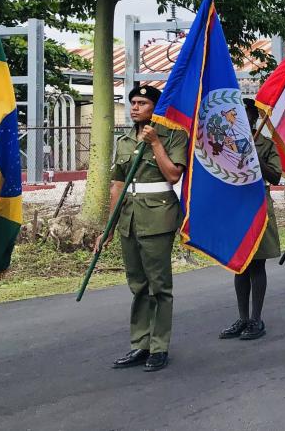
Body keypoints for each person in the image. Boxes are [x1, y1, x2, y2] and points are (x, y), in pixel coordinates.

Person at [100, 85, 187, 372]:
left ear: (155, 108)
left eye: (142, 103)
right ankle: (141, 343)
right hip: (129, 218)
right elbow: (116, 185)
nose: (135, 108)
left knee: (159, 285)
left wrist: (155, 144)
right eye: (133, 103)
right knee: (138, 285)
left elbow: (174, 175)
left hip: (158, 217)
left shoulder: (173, 136)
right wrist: (109, 225)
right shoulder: (124, 140)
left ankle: (159, 347)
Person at [218, 99, 282, 340]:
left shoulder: (265, 145)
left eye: (244, 115)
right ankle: (242, 318)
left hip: (258, 204)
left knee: (257, 263)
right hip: (235, 205)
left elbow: (275, 176)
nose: (238, 120)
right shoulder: (224, 143)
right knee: (240, 264)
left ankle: (256, 319)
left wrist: (255, 156)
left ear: (254, 118)